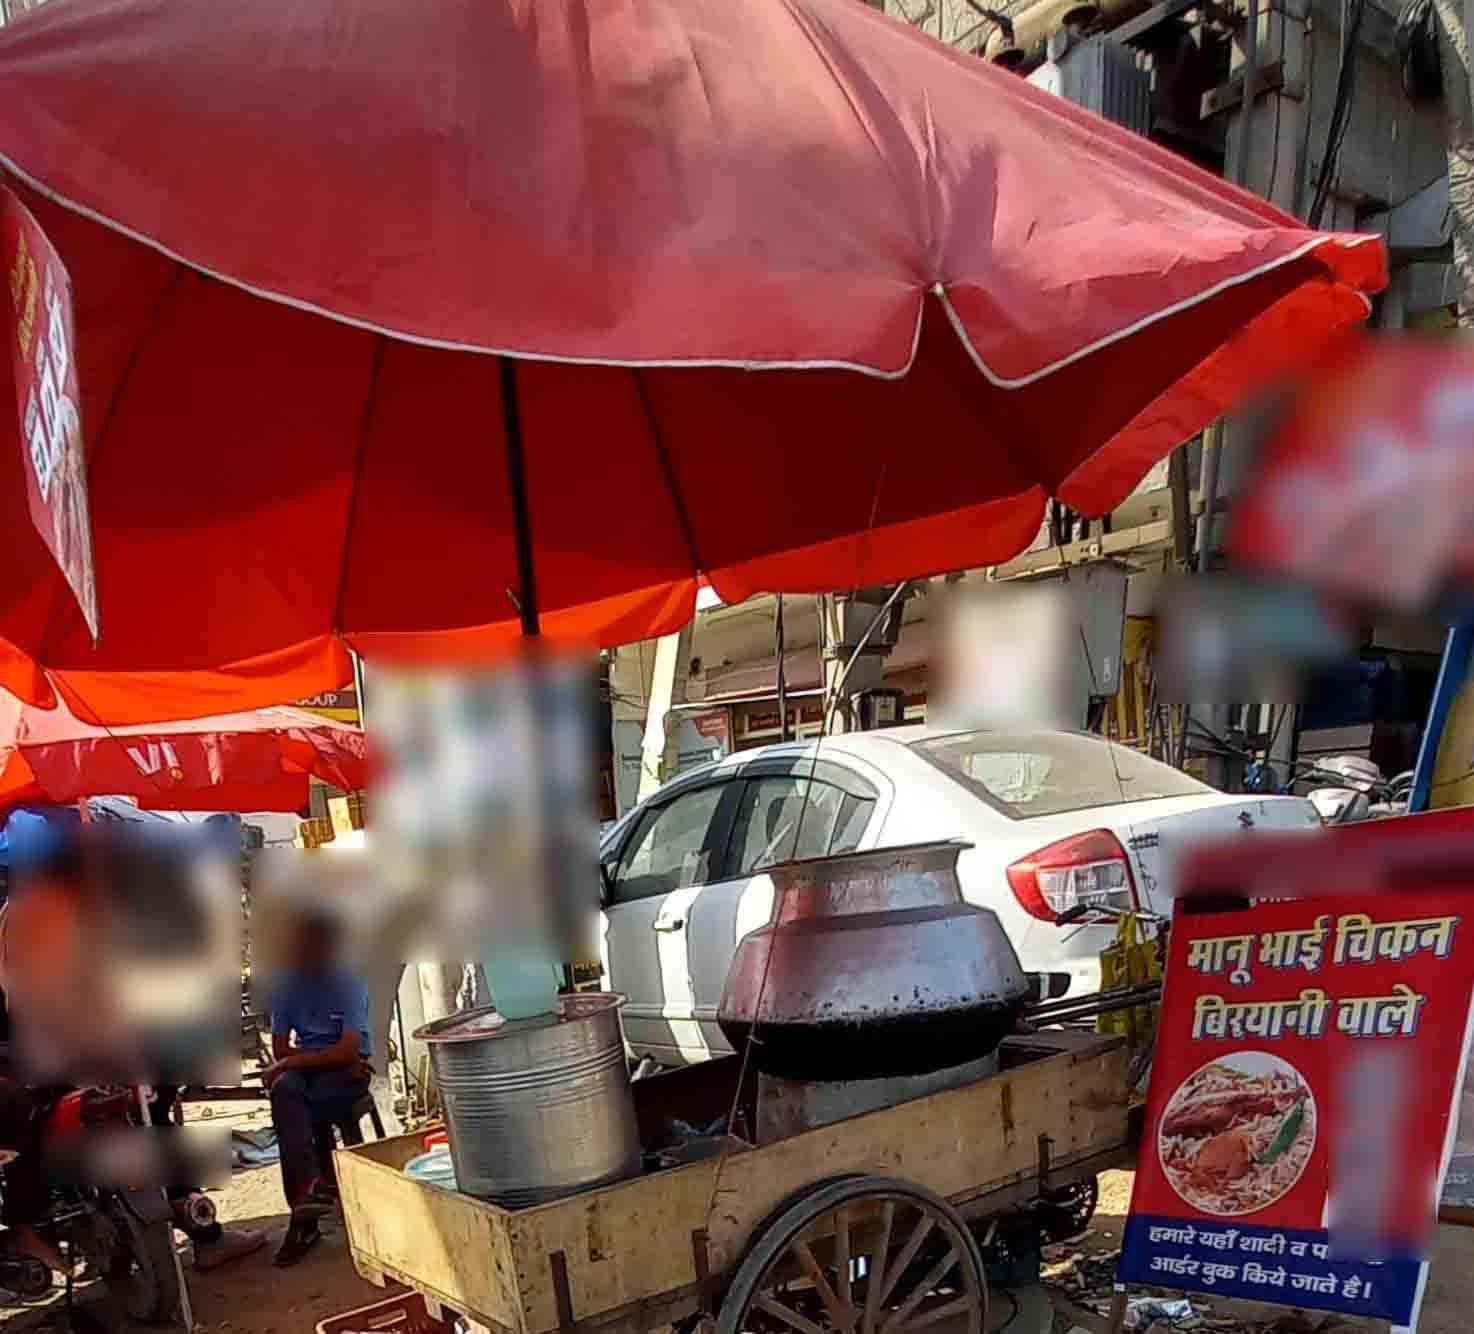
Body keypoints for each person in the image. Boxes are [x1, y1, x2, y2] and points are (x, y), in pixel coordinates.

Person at [263, 910, 372, 1267]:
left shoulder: (349, 981)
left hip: (343, 1072)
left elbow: (347, 1050)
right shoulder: (285, 986)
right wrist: (308, 1060)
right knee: (285, 1091)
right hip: (317, 1068)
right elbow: (281, 1049)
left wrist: (298, 1061)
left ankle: (304, 1210)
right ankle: (308, 1190)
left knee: (296, 1098)